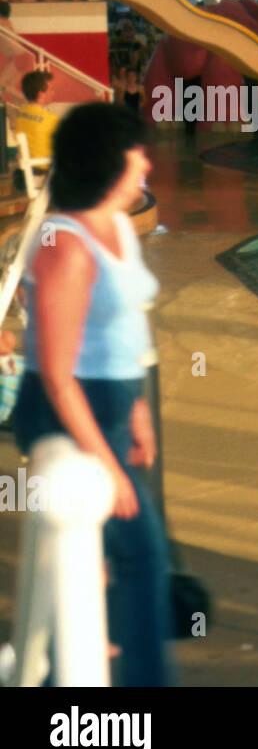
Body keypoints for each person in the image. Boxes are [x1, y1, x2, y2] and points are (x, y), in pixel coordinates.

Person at [13, 102, 171, 685]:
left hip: (109, 406)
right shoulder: (66, 246)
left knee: (102, 564)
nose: (145, 167)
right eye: (136, 157)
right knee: (139, 556)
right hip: (66, 415)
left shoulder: (118, 227)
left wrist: (138, 412)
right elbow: (57, 372)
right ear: (109, 161)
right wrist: (106, 463)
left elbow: (125, 324)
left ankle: (71, 676)